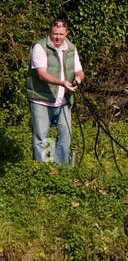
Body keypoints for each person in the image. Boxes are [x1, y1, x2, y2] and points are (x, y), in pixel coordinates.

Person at [26, 18, 83, 166]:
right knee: (41, 138)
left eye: (61, 34)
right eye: (55, 33)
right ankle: (41, 170)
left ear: (66, 33)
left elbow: (79, 70)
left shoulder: (71, 48)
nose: (58, 37)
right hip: (41, 100)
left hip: (63, 102)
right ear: (50, 32)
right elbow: (42, 74)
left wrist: (78, 78)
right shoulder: (40, 47)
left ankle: (60, 169)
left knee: (66, 135)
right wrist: (62, 82)